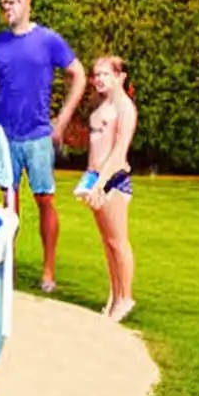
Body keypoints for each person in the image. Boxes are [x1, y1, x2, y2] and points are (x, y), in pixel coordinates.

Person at [0, 0, 87, 293]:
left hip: (37, 135)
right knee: (9, 202)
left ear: (28, 2)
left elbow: (79, 74)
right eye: (5, 4)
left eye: (14, 2)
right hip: (4, 135)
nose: (9, 8)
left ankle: (48, 271)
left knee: (45, 199)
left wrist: (61, 121)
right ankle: (6, 266)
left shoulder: (48, 40)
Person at [73, 55, 137, 322]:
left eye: (105, 74)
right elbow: (95, 151)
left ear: (120, 77)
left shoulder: (125, 108)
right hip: (96, 181)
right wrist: (88, 182)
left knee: (118, 242)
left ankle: (126, 297)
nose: (99, 79)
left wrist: (100, 184)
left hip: (113, 181)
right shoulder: (101, 106)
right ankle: (114, 294)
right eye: (96, 74)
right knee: (107, 243)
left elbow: (119, 150)